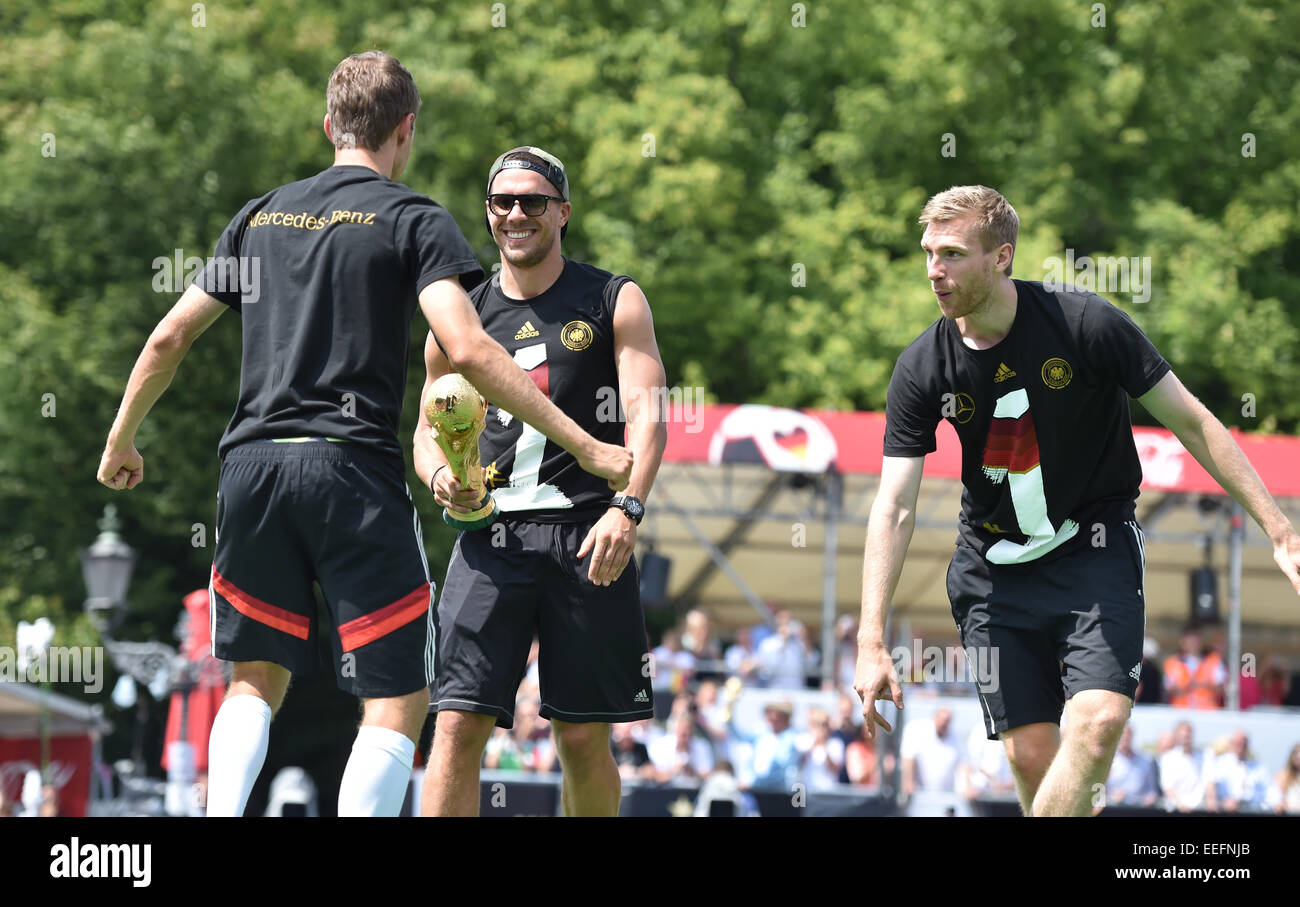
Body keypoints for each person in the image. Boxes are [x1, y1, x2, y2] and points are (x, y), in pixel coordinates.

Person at [96, 54, 631, 818]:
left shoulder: (259, 215)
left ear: (328, 126)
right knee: (397, 696)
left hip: (251, 466)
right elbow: (473, 349)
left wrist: (122, 439)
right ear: (405, 131)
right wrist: (586, 445)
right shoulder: (413, 219)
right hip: (350, 470)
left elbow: (169, 338)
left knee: (253, 679)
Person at [853, 185, 1300, 817]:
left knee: (1097, 723)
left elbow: (1195, 422)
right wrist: (871, 638)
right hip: (992, 575)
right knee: (1032, 758)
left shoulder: (1085, 322)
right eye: (928, 253)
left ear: (1001, 257)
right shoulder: (922, 367)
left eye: (952, 254)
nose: (934, 271)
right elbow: (894, 506)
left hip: (1095, 550)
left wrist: (1280, 531)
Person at [417, 146, 667, 817]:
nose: (517, 213)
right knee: (455, 724)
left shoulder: (614, 297)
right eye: (503, 202)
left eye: (533, 201)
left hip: (588, 536)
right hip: (488, 539)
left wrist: (628, 508)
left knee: (582, 734)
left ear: (563, 211)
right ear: (489, 213)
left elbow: (649, 419)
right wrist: (442, 475)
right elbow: (425, 428)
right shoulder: (460, 316)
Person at [1203, 730, 1269, 813]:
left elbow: (1266, 791)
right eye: (1238, 743)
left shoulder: (1257, 767)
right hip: (1225, 810)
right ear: (1231, 744)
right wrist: (1223, 802)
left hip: (1250, 810)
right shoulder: (1219, 764)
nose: (1241, 747)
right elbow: (1211, 788)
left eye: (1244, 744)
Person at [1162, 625, 1226, 709]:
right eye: (1190, 640)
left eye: (1196, 640)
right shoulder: (1172, 662)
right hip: (1180, 712)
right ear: (1182, 642)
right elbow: (1168, 690)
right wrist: (1186, 687)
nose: (1193, 644)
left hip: (1208, 713)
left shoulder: (1214, 660)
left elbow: (1222, 688)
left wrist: (1205, 685)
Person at [1105, 723, 1160, 808]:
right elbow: (1099, 789)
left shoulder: (1146, 761)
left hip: (1138, 809)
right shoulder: (1108, 761)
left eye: (1127, 735)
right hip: (1113, 809)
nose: (1125, 739)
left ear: (1132, 736)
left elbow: (1152, 790)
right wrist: (1112, 795)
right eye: (1122, 735)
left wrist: (1149, 798)